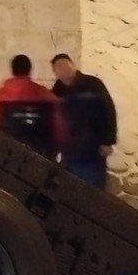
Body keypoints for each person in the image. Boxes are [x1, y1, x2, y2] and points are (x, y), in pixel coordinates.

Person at [50, 53, 117, 188]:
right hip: (69, 151)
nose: (63, 68)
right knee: (70, 191)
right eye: (59, 66)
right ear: (55, 72)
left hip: (92, 148)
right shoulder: (56, 92)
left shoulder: (92, 84)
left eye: (65, 63)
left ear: (73, 65)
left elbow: (108, 110)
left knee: (93, 190)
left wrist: (108, 141)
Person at [0, 55, 65, 161]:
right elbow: (60, 126)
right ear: (29, 70)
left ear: (13, 70)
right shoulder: (45, 94)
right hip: (42, 156)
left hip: (7, 156)